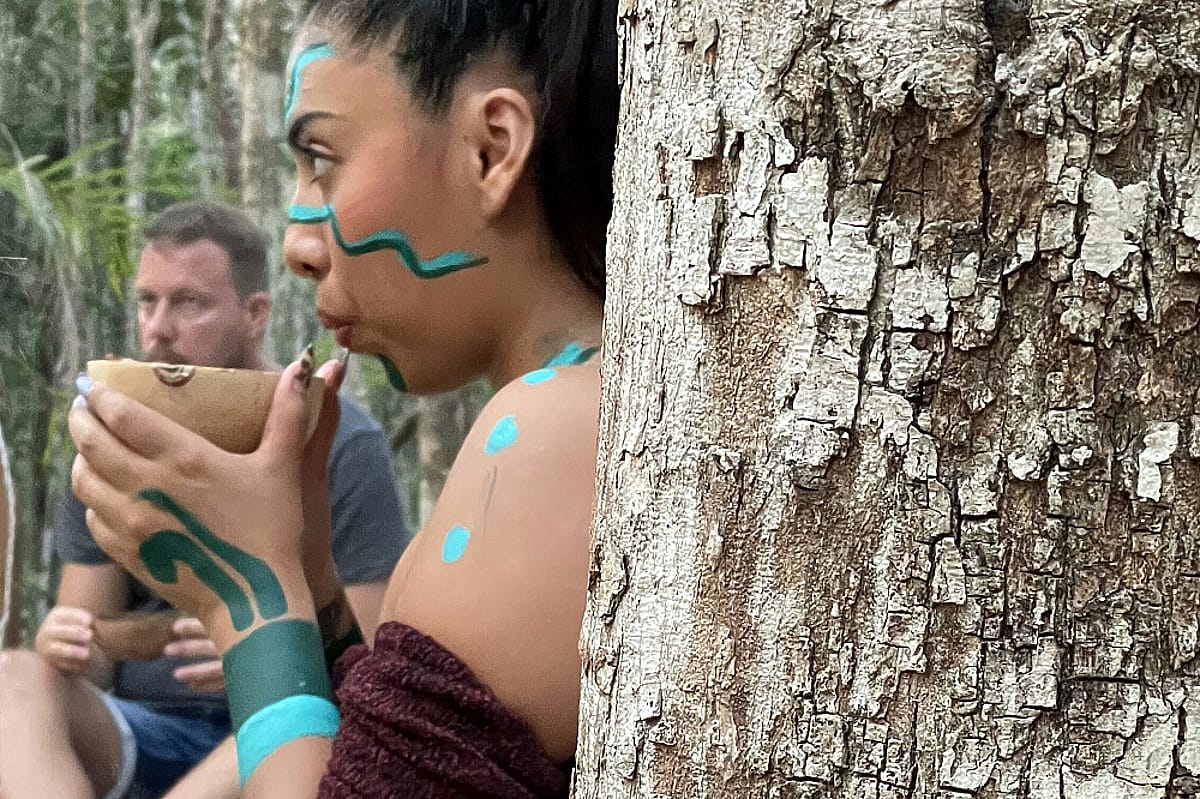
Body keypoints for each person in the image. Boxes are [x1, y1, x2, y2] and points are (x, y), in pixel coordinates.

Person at [68, 0, 616, 795]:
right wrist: (308, 572)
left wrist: (248, 593)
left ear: (492, 149)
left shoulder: (553, 431)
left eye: (321, 159)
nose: (295, 244)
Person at [0, 201, 409, 798]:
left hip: (284, 732)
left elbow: (363, 669)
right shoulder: (118, 432)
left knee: (305, 703)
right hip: (143, 730)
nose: (157, 328)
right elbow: (89, 645)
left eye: (188, 303)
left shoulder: (341, 440)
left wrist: (260, 652)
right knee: (13, 677)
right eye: (147, 301)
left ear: (255, 313)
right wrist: (68, 641)